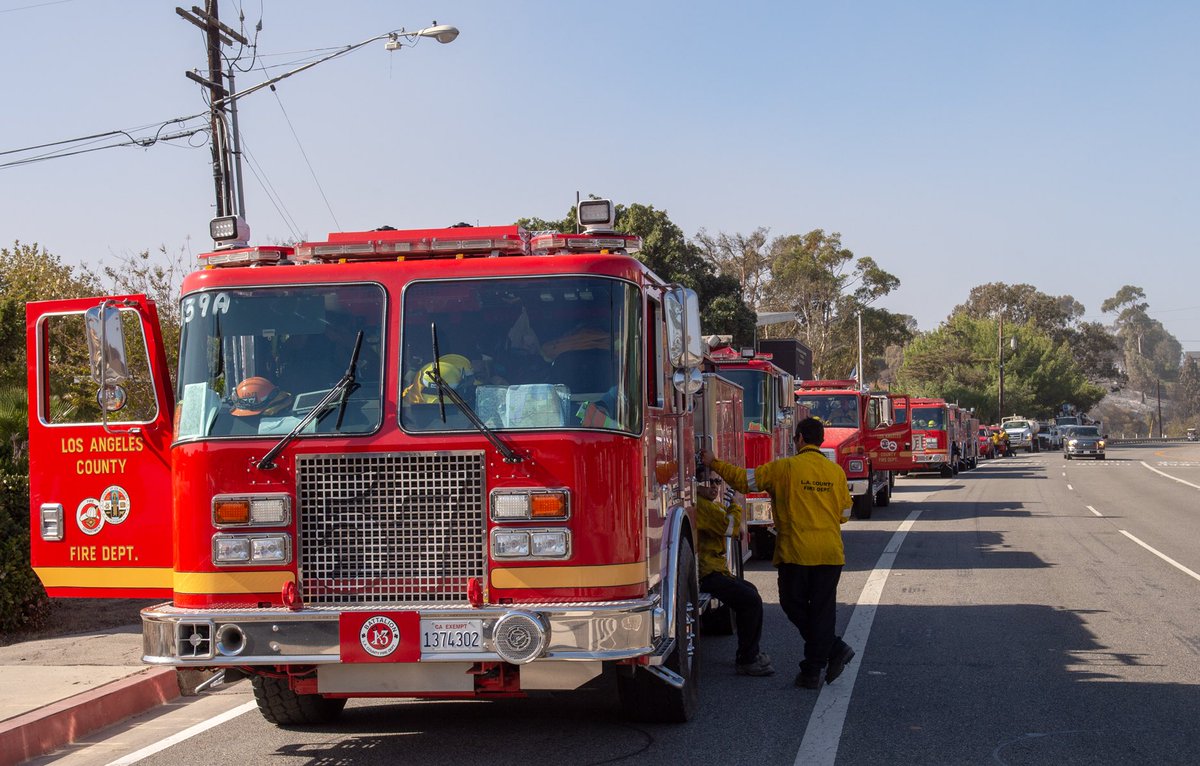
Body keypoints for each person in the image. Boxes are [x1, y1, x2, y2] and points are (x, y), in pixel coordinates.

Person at [702, 416, 855, 690]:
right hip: (831, 554)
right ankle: (816, 667)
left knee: (793, 605)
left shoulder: (785, 468)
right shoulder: (836, 473)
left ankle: (829, 654)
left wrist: (714, 462)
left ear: (799, 439)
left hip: (796, 553)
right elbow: (844, 514)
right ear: (820, 441)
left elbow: (744, 480)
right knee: (822, 613)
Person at [695, 478, 774, 677]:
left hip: (713, 569)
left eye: (716, 483)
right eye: (708, 483)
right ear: (695, 485)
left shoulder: (709, 505)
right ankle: (748, 660)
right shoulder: (703, 506)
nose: (714, 487)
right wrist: (736, 506)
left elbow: (730, 524)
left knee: (750, 592)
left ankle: (750, 653)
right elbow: (729, 528)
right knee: (751, 601)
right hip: (708, 573)